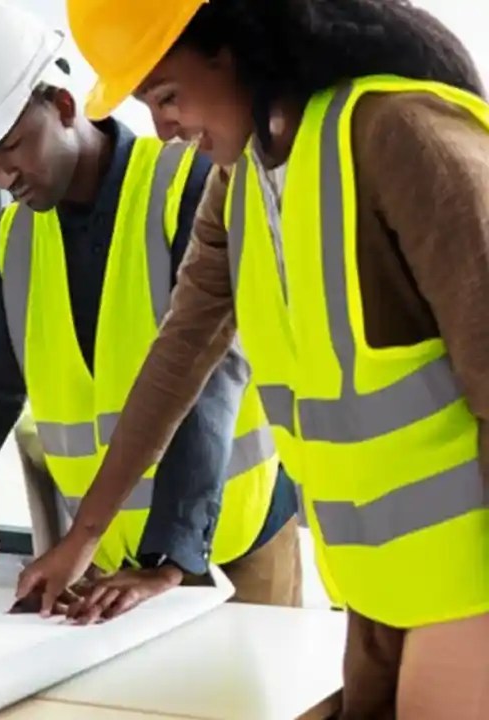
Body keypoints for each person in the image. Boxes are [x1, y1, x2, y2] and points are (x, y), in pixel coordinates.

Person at [24, 0, 489, 716]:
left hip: (468, 580)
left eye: (168, 96)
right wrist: (83, 536)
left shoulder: (396, 134)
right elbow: (180, 351)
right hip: (373, 586)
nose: (163, 130)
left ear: (233, 47)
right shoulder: (242, 181)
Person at [0, 0, 300, 618]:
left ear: (65, 106)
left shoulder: (188, 182)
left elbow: (209, 372)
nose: (2, 177)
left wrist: (165, 561)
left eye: (12, 147)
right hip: (109, 556)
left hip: (231, 542)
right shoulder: (18, 240)